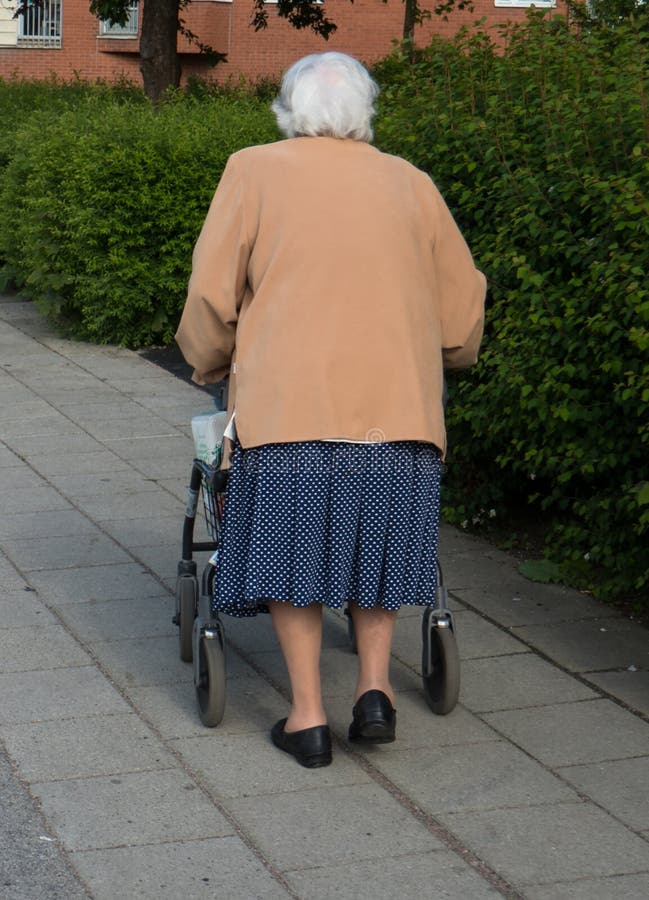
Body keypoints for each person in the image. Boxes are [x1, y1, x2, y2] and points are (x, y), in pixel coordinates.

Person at [176, 52, 486, 769]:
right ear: (363, 113)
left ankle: (308, 717)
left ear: (289, 110)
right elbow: (461, 303)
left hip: (291, 407)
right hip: (397, 411)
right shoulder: (410, 183)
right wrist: (450, 354)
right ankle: (374, 691)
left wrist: (208, 359)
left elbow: (211, 296)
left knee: (292, 555)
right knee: (378, 548)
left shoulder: (252, 169)